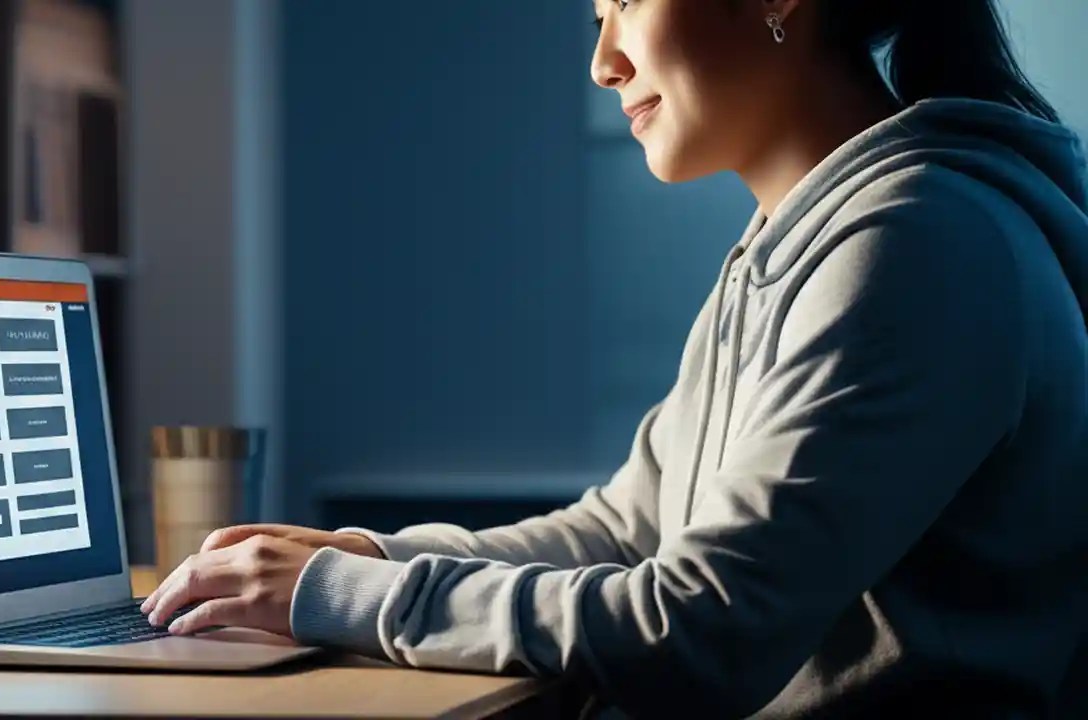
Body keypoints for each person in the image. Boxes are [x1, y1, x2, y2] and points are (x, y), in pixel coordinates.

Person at [142, 0, 1088, 716]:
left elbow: (706, 630)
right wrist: (368, 555)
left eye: (627, 1)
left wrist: (342, 597)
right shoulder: (797, 245)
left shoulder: (917, 244)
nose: (602, 61)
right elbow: (626, 530)